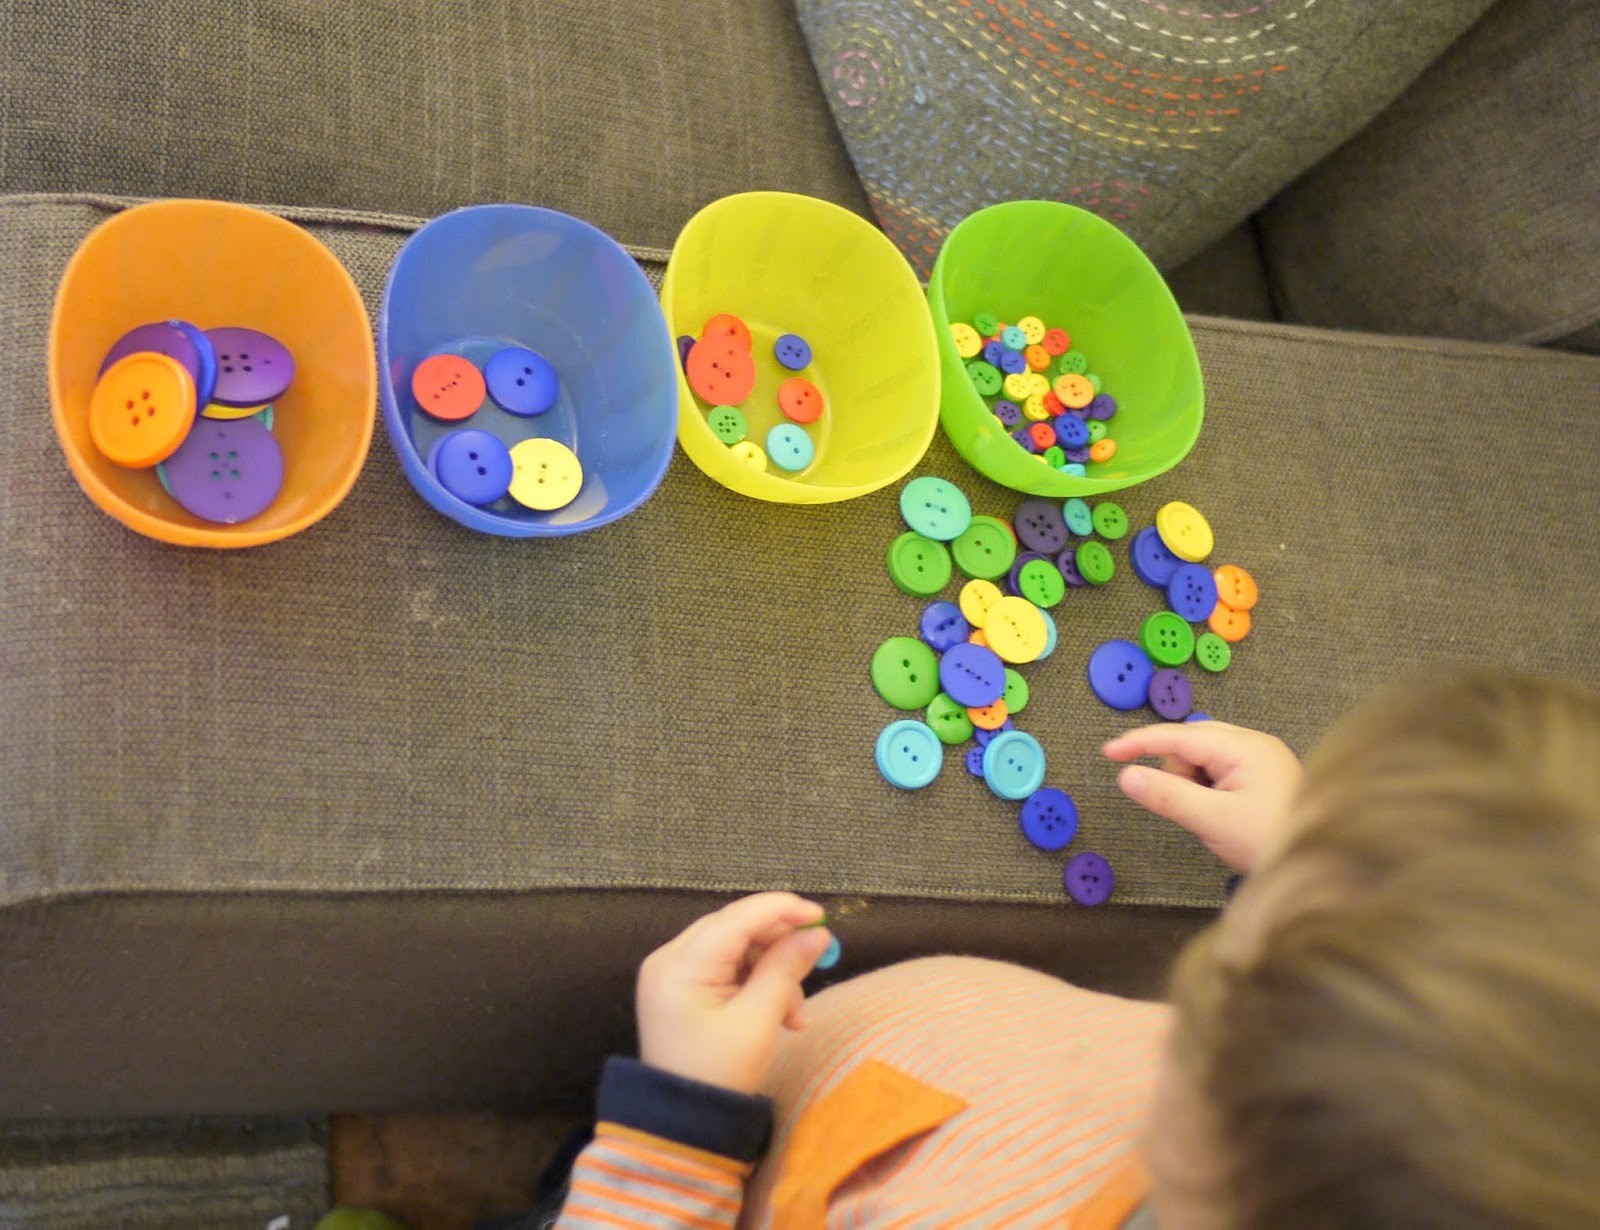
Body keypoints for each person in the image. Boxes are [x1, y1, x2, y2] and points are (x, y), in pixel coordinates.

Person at [509, 669, 1600, 1229]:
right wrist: (1304, 875)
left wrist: (669, 1143)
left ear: (1214, 1147)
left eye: (1239, 972)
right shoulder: (1343, 1106)